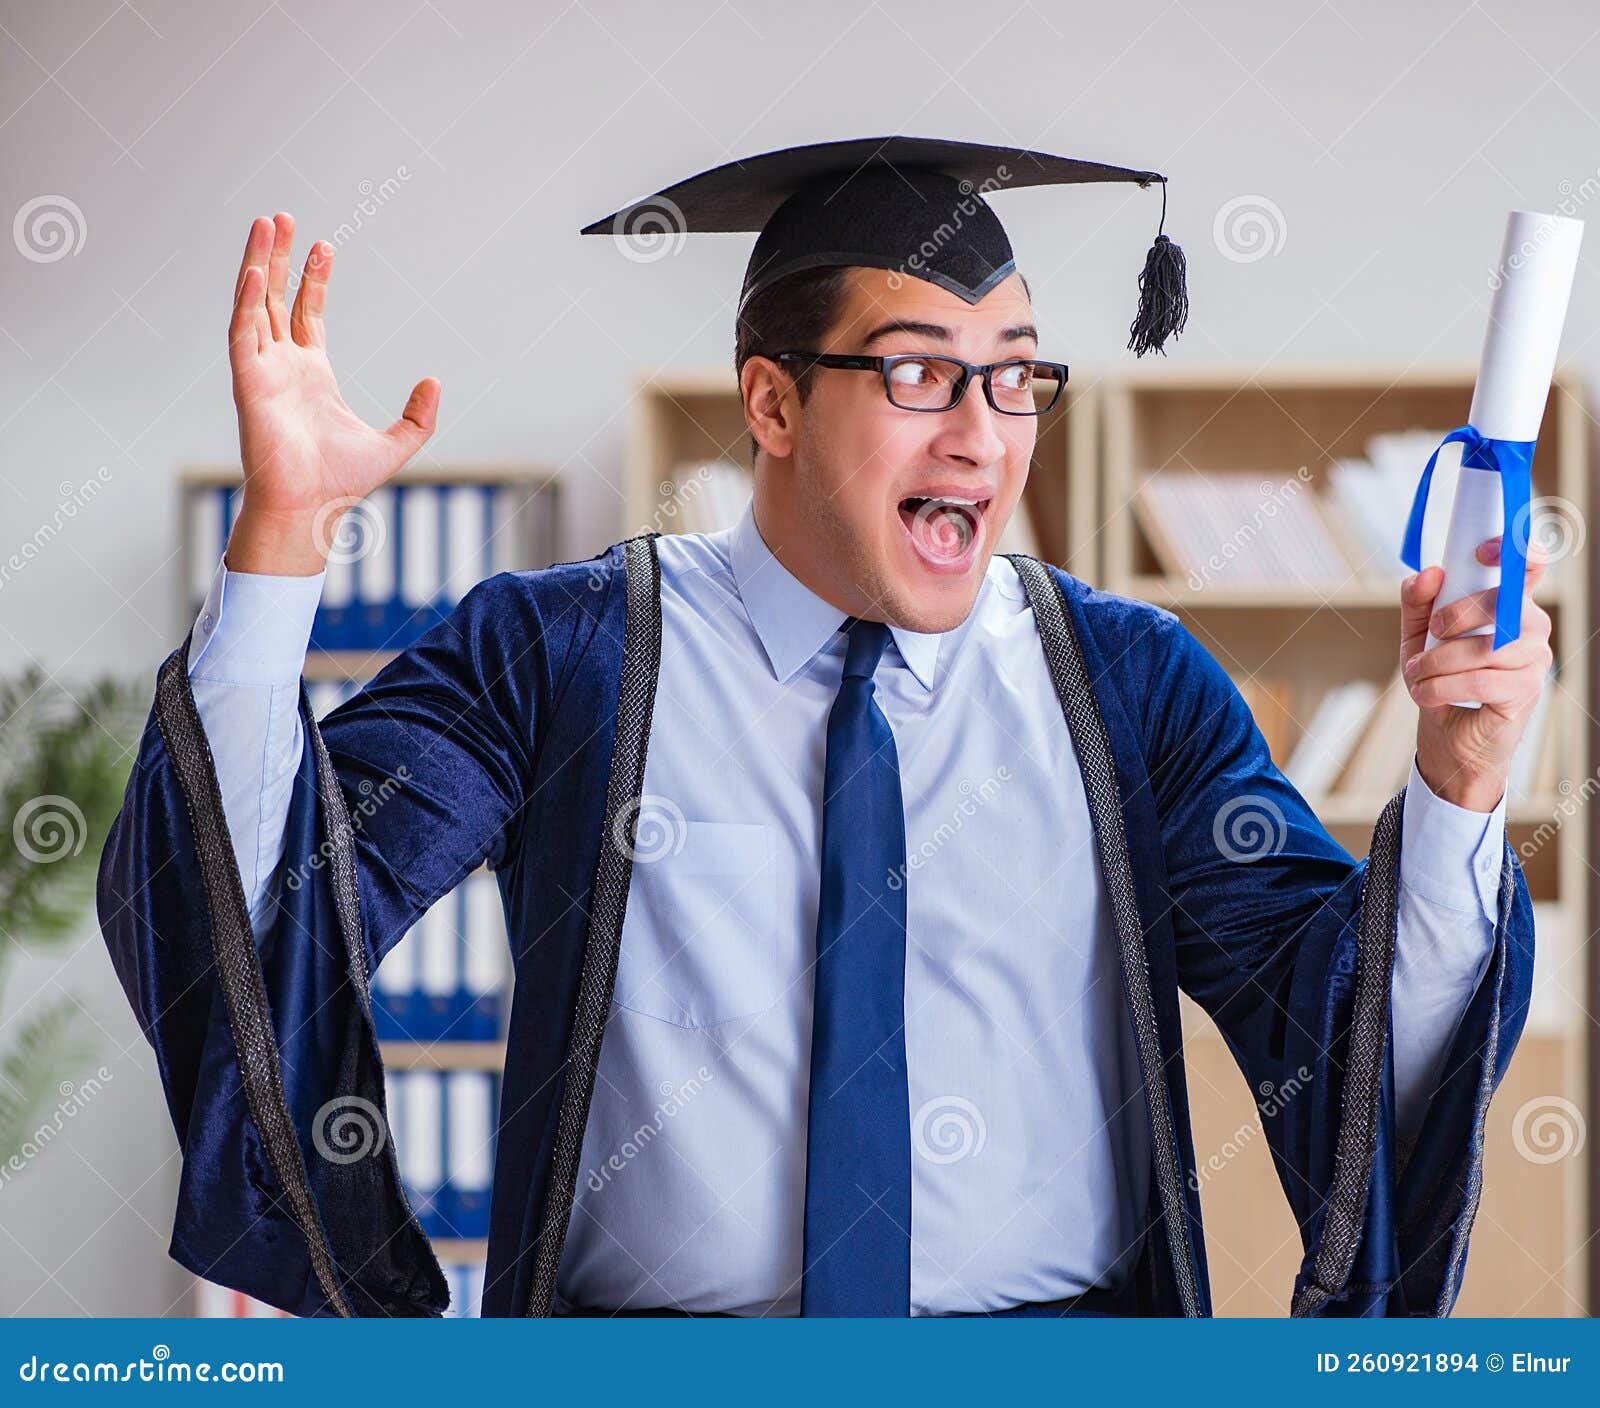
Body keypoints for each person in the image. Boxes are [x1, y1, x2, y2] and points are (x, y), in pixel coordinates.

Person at [98, 137, 1541, 1319]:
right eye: (917, 374)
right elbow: (260, 906)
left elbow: (1352, 1045)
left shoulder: (1130, 685)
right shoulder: (565, 656)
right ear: (772, 403)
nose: (979, 431)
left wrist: (1462, 779)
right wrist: (283, 544)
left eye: (1014, 374)